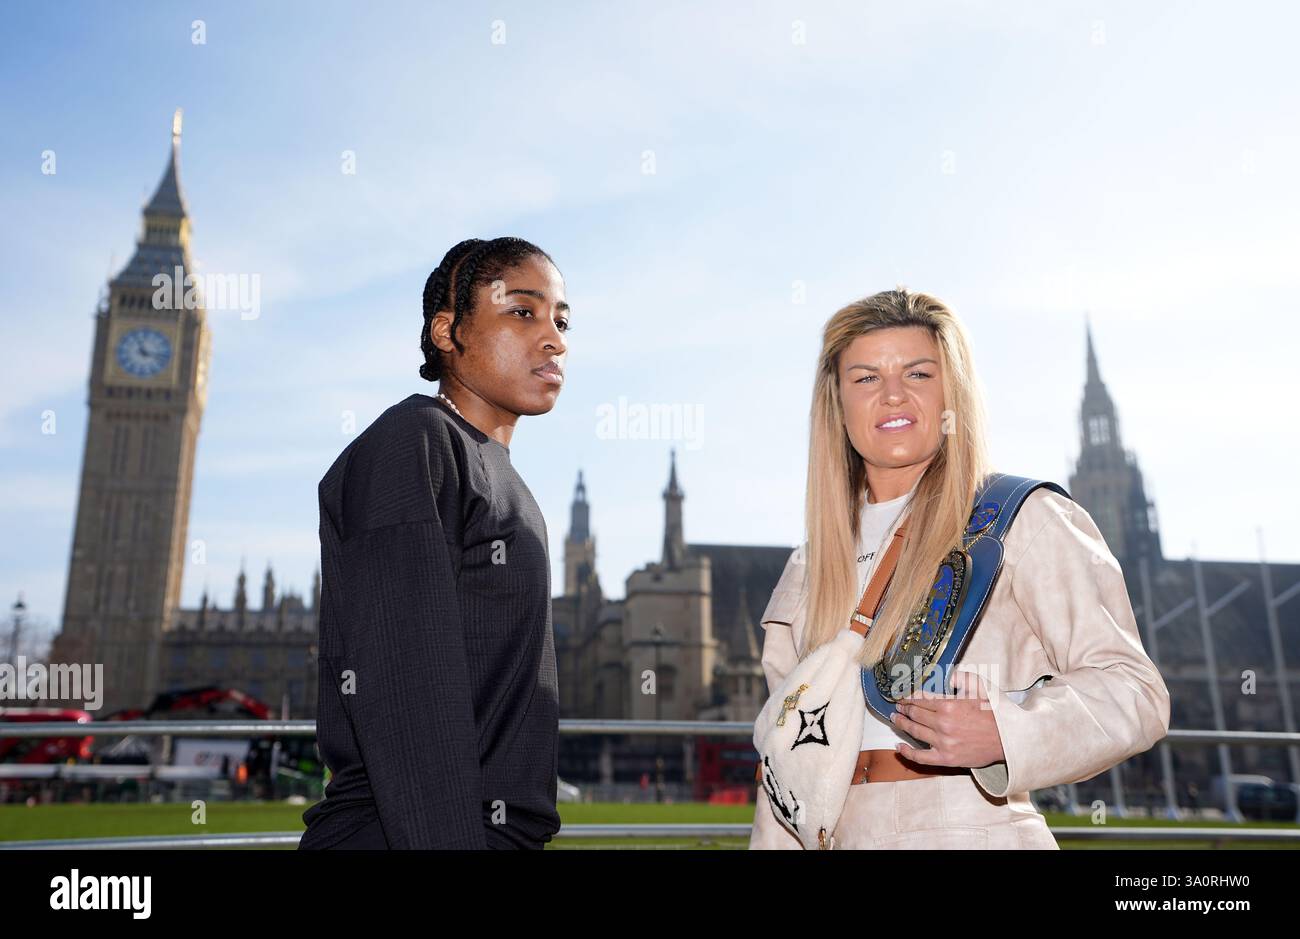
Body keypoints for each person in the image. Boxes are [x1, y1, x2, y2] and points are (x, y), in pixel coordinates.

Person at [749, 287, 1170, 849]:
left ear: (953, 393)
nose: (893, 395)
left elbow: (1134, 691)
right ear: (838, 403)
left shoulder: (1021, 519)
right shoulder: (810, 563)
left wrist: (1009, 730)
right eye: (867, 378)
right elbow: (787, 765)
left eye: (919, 374)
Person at [299, 237, 570, 849]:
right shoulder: (415, 444)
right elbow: (405, 694)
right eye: (522, 312)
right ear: (448, 331)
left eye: (560, 319)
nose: (553, 338)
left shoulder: (505, 478)